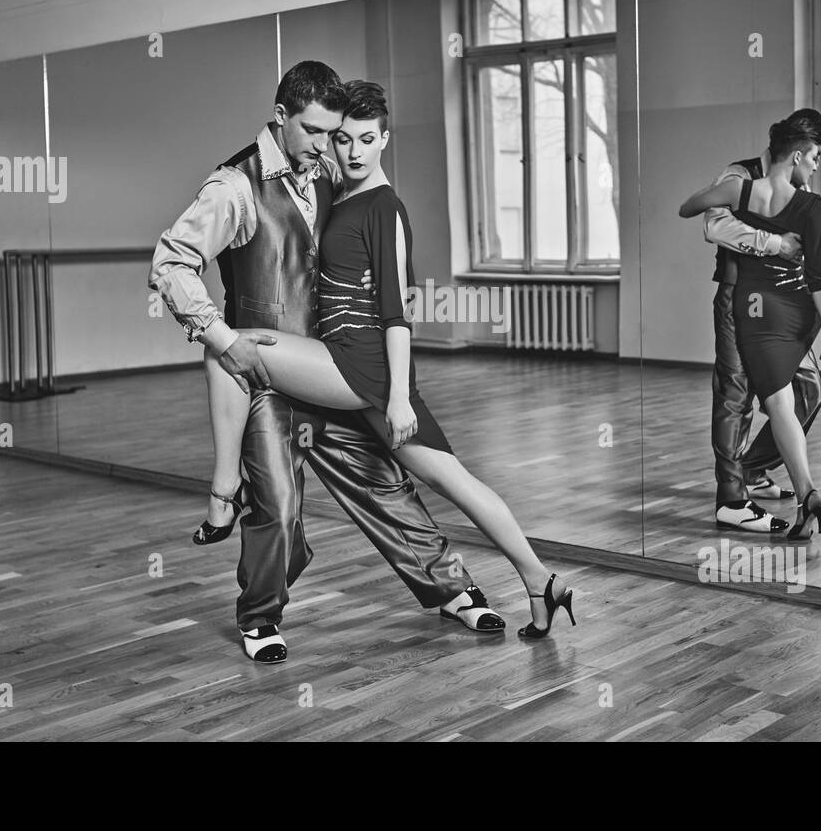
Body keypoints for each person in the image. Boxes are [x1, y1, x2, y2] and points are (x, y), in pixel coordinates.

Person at [149, 61, 505, 665]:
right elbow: (172, 261)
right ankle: (260, 616)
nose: (326, 147)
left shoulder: (330, 173)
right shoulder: (235, 186)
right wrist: (219, 335)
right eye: (314, 132)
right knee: (281, 506)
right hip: (264, 375)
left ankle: (452, 588)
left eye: (334, 133)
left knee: (386, 484)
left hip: (329, 366)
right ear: (281, 116)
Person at [197, 79, 576, 639]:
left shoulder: (382, 206)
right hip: (349, 363)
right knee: (455, 482)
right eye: (342, 139)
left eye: (365, 140)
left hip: (361, 367)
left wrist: (398, 396)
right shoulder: (338, 191)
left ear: (384, 141)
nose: (351, 151)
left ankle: (222, 496)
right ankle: (540, 580)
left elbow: (397, 311)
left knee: (228, 342)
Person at [679, 116, 821, 540]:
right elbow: (713, 225)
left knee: (808, 391)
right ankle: (732, 497)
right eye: (815, 153)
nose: (816, 162)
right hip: (738, 298)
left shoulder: (798, 187)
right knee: (735, 394)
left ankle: (753, 467)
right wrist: (776, 243)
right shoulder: (739, 175)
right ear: (796, 148)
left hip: (786, 309)